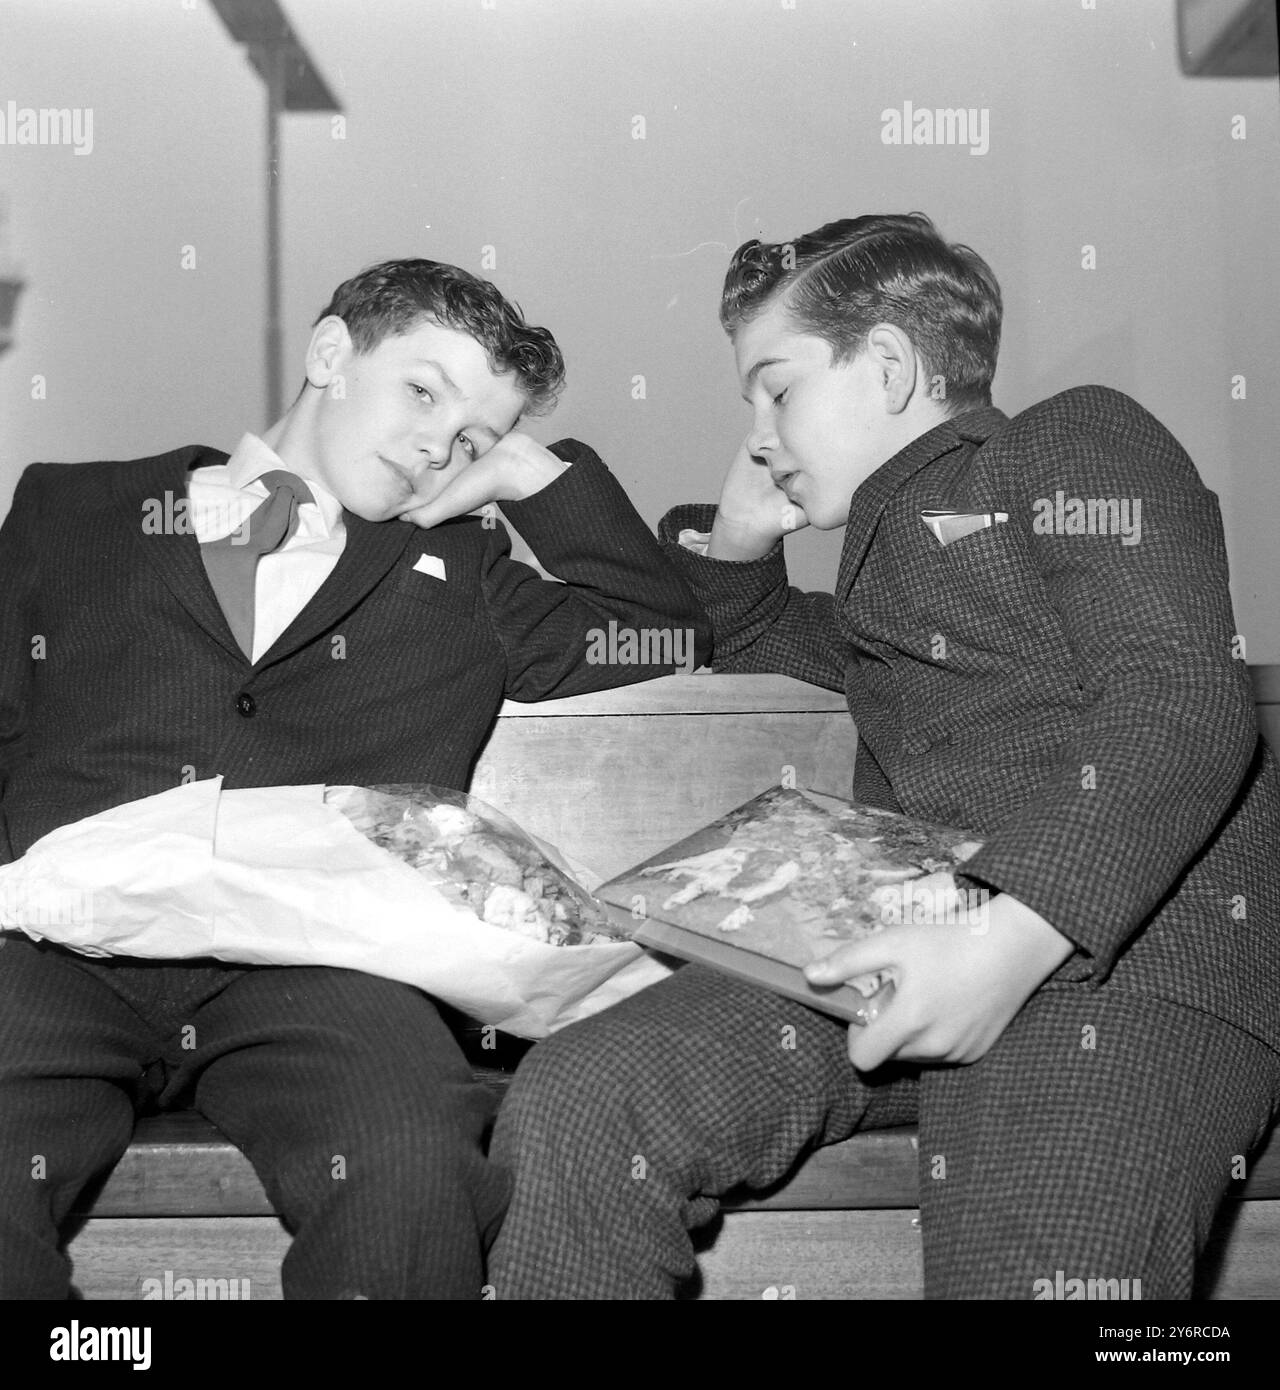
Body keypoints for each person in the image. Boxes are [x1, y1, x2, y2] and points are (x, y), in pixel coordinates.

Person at [485, 213, 1280, 1299]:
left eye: (776, 391)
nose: (758, 434)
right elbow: (751, 634)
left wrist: (1011, 936)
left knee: (1033, 1266)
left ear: (893, 366)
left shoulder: (1068, 440)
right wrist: (738, 540)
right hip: (908, 945)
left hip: (1119, 954)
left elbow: (1179, 695)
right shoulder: (881, 578)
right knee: (585, 1095)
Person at [0, 257, 710, 1299]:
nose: (437, 445)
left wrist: (534, 476)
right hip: (56, 949)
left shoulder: (463, 578)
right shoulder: (73, 509)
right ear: (332, 353)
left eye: (472, 438)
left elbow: (664, 633)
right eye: (423, 391)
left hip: (320, 968)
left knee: (409, 1160)